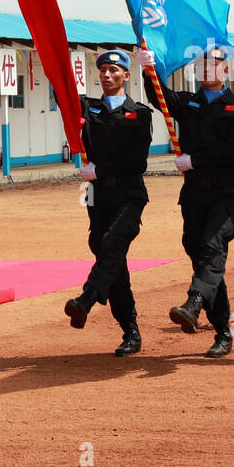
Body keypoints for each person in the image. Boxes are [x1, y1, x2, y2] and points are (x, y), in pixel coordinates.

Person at [141, 44, 234, 358]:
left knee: (211, 248)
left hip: (225, 193)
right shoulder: (188, 103)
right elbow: (160, 99)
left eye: (213, 64)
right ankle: (225, 330)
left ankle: (194, 303)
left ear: (225, 70)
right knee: (203, 258)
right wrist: (150, 70)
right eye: (201, 65)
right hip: (193, 195)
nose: (206, 70)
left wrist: (196, 161)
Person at [63, 49, 155, 356]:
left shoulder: (139, 114)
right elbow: (62, 92)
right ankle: (131, 331)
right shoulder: (89, 108)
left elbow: (137, 160)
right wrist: (55, 58)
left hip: (128, 195)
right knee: (109, 257)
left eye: (114, 70)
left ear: (126, 76)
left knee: (113, 245)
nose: (107, 75)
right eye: (102, 70)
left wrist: (100, 169)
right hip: (96, 196)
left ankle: (86, 300)